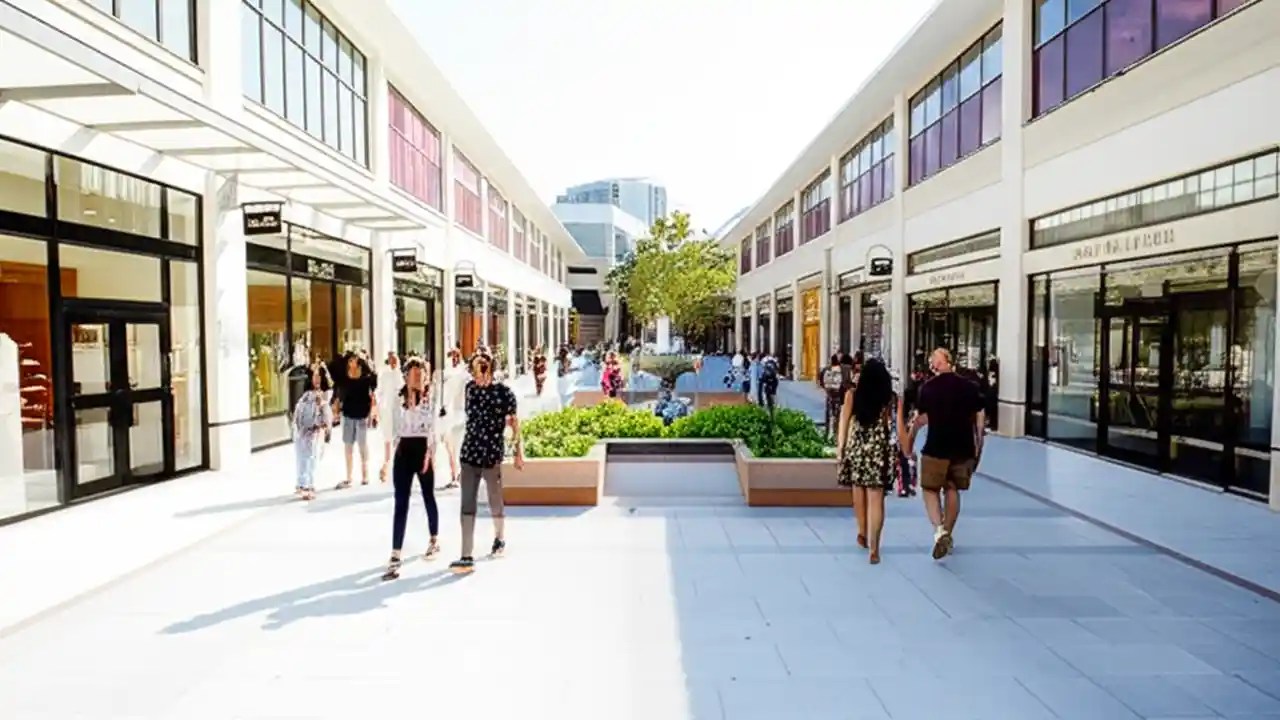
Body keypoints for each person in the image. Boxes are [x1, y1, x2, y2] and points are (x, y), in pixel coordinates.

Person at [907, 348, 985, 560]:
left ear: (938, 364)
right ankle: (948, 533)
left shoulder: (928, 388)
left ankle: (939, 530)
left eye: (933, 361)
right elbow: (980, 423)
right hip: (963, 447)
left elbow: (919, 420)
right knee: (952, 488)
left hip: (936, 447)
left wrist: (909, 445)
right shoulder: (970, 388)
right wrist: (979, 449)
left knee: (930, 489)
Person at [450, 351, 524, 574]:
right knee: (467, 503)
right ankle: (466, 554)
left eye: (482, 369)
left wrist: (519, 452)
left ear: (491, 369)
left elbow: (515, 425)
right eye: (474, 369)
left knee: (494, 499)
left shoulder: (504, 394)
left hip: (491, 454)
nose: (478, 374)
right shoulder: (470, 390)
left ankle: (499, 537)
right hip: (470, 453)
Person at [382, 358, 441, 581]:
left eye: (420, 374)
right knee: (401, 501)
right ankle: (396, 552)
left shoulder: (431, 398)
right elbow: (392, 428)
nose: (416, 378)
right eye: (413, 374)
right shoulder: (398, 399)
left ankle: (434, 538)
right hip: (404, 449)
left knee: (428, 495)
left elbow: (433, 428)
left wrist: (430, 453)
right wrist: (387, 460)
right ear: (406, 376)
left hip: (422, 448)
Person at [836, 358, 895, 564]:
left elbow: (843, 422)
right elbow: (890, 425)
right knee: (876, 497)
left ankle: (862, 532)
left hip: (857, 448)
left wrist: (840, 448)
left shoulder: (852, 395)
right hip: (878, 449)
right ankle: (875, 547)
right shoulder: (888, 399)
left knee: (858, 491)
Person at [333, 352, 378, 488]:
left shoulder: (366, 379)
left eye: (354, 361)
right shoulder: (344, 379)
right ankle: (349, 476)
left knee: (362, 445)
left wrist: (365, 361)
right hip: (348, 415)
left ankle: (365, 475)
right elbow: (339, 395)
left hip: (361, 415)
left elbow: (374, 381)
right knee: (348, 446)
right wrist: (337, 409)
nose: (351, 363)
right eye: (350, 361)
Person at [291, 364, 332, 501]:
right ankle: (302, 483)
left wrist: (326, 429)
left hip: (315, 430)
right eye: (314, 376)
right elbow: (298, 409)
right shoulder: (306, 394)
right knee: (301, 457)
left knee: (311, 458)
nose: (316, 379)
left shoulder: (325, 395)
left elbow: (327, 414)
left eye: (319, 376)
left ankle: (309, 485)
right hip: (302, 430)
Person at [438, 348, 468, 490]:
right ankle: (454, 475)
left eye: (457, 356)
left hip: (460, 413)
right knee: (451, 448)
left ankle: (457, 475)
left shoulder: (463, 375)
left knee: (458, 446)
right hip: (449, 414)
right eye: (452, 356)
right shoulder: (446, 375)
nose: (454, 359)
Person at [376, 352, 405, 483]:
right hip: (387, 410)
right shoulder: (384, 375)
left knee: (398, 438)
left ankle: (398, 466)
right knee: (387, 439)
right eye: (391, 359)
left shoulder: (401, 375)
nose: (393, 362)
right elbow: (380, 392)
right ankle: (386, 465)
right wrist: (379, 408)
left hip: (398, 410)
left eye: (395, 359)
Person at [819, 353, 851, 437]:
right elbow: (847, 381)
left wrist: (826, 389)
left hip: (830, 394)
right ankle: (837, 433)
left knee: (829, 413)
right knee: (839, 414)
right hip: (840, 395)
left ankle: (828, 432)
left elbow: (821, 381)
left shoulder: (826, 369)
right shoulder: (845, 368)